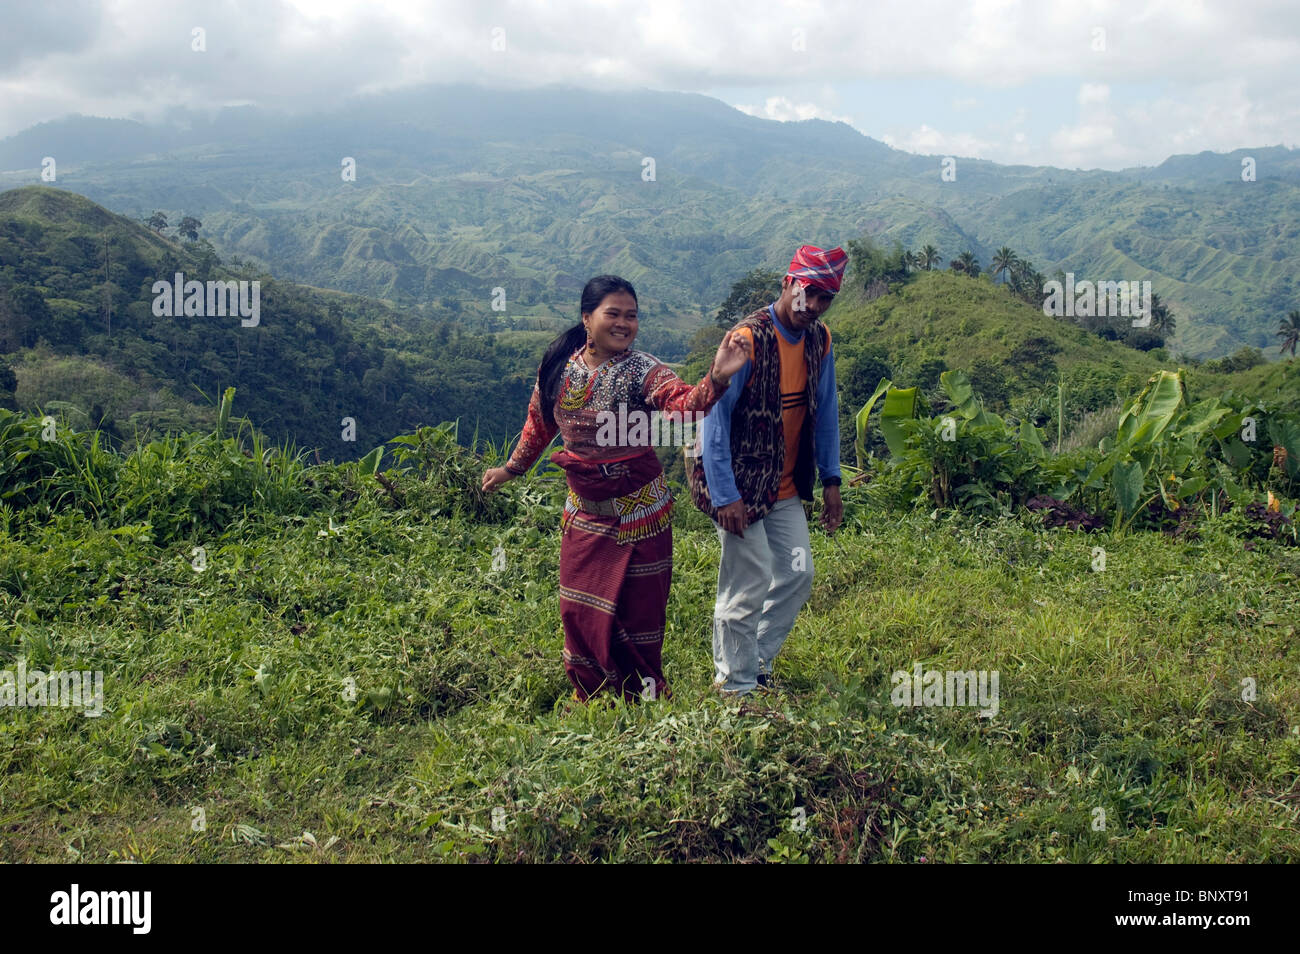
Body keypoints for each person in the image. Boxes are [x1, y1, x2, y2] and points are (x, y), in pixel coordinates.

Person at [482, 275, 752, 703]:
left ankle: (642, 697)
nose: (624, 323)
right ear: (587, 318)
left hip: (640, 514)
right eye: (614, 314)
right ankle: (590, 694)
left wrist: (717, 377)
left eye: (632, 316)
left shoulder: (644, 370)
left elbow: (684, 408)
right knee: (577, 610)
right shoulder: (558, 366)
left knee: (637, 615)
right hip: (584, 512)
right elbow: (539, 424)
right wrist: (511, 469)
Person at [687, 245, 846, 696]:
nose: (812, 307)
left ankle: (752, 661)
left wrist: (831, 480)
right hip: (737, 484)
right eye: (807, 294)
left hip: (785, 486)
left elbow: (826, 412)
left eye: (823, 299)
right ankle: (734, 685)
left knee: (797, 575)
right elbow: (713, 422)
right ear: (787, 284)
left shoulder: (820, 340)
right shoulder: (749, 339)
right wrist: (725, 496)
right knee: (749, 577)